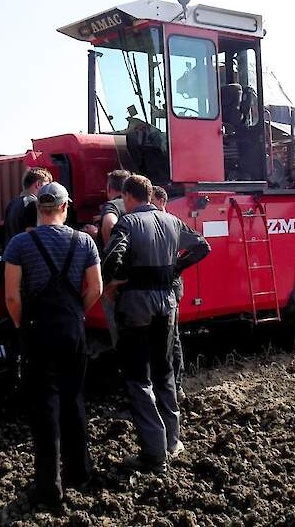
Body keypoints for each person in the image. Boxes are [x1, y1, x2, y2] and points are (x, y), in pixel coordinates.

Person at [3, 182, 103, 507]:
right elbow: (96, 288)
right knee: (74, 399)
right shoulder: (85, 241)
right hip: (73, 328)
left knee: (44, 406)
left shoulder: (20, 243)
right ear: (65, 207)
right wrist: (77, 313)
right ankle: (81, 472)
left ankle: (49, 488)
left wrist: (21, 326)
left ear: (39, 208)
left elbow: (11, 295)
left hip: (36, 329)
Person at [102, 175, 210, 473]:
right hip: (168, 304)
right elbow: (202, 246)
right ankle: (173, 442)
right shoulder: (172, 221)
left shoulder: (127, 223)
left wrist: (113, 283)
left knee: (139, 378)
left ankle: (154, 453)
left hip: (136, 305)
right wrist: (175, 269)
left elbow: (112, 258)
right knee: (164, 371)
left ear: (127, 195)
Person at [81, 169, 130, 347]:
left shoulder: (112, 206)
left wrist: (99, 234)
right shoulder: (136, 206)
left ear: (109, 188)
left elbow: (110, 223)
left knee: (120, 333)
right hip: (138, 279)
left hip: (115, 281)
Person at [151, 185, 185, 401]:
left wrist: (176, 268)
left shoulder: (168, 223)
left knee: (172, 339)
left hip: (169, 286)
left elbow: (201, 245)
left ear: (161, 201)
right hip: (170, 285)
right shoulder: (173, 222)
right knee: (170, 337)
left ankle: (175, 387)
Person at [4, 167, 53, 245]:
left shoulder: (12, 204)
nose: (48, 190)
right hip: (27, 255)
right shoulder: (34, 204)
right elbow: (32, 235)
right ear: (38, 184)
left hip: (12, 253)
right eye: (47, 186)